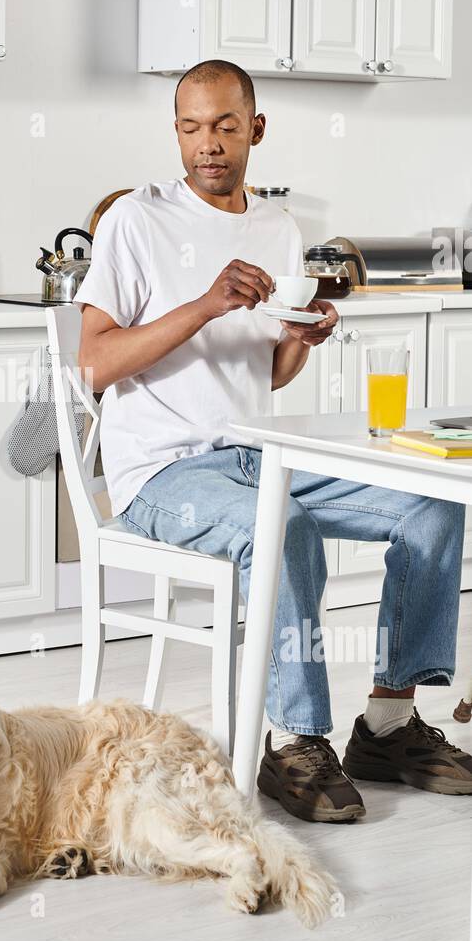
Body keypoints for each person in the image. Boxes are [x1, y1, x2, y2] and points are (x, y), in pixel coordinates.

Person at [75, 59, 472, 823]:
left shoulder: (277, 227)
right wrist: (204, 303)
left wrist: (299, 339)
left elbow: (271, 373)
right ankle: (294, 744)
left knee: (431, 502)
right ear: (177, 133)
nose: (208, 144)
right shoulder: (135, 219)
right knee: (279, 525)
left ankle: (388, 725)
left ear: (255, 130)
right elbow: (95, 363)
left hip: (257, 451)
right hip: (162, 472)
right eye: (192, 128)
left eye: (225, 126)